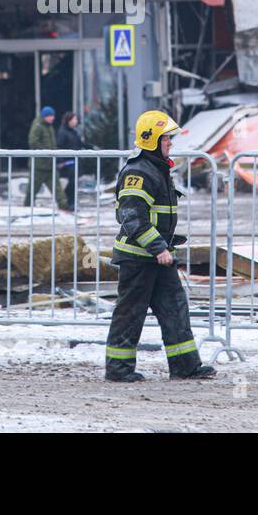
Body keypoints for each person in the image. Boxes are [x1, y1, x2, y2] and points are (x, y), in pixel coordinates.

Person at [105, 110, 216, 382]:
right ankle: (118, 369)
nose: (170, 143)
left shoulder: (157, 169)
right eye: (166, 138)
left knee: (174, 308)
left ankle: (185, 366)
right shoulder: (138, 173)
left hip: (158, 256)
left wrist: (163, 248)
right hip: (138, 258)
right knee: (130, 313)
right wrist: (158, 248)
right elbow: (133, 217)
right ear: (152, 139)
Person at [27, 105, 58, 205]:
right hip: (39, 164)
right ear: (45, 116)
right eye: (50, 116)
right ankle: (27, 207)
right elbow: (33, 142)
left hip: (49, 163)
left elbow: (51, 143)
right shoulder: (38, 126)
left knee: (57, 189)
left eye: (53, 116)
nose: (52, 118)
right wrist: (45, 152)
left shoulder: (49, 127)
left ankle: (64, 206)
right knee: (32, 189)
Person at [55, 111, 84, 212]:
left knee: (74, 181)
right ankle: (69, 202)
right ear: (69, 120)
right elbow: (59, 147)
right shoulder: (62, 132)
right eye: (74, 119)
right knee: (72, 182)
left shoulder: (73, 132)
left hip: (74, 160)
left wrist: (92, 147)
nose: (76, 121)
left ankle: (70, 202)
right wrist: (60, 162)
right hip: (67, 162)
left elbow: (80, 144)